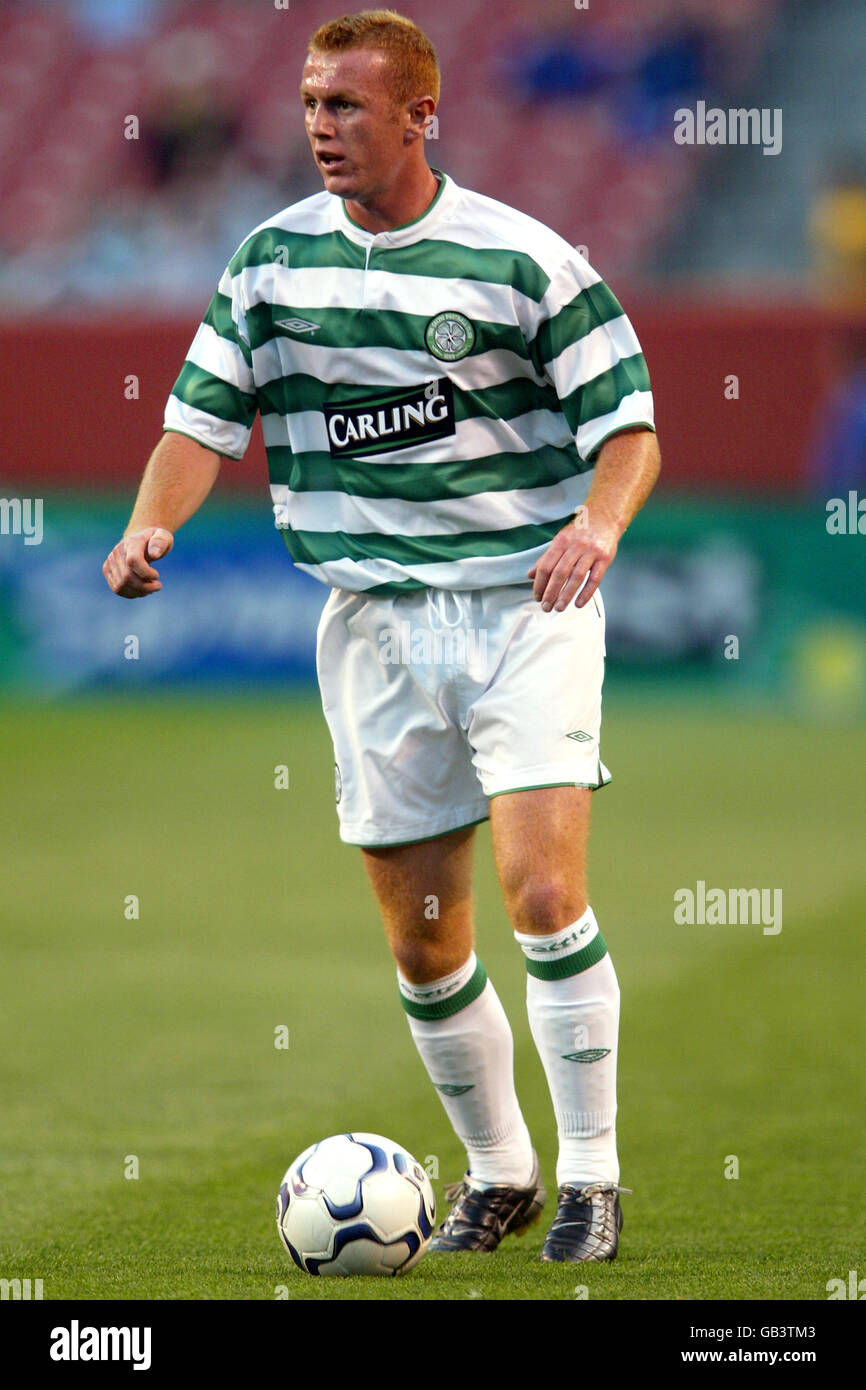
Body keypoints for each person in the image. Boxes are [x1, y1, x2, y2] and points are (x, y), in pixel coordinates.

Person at [103, 9, 660, 1263]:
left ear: (420, 114)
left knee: (543, 887)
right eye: (309, 104)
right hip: (373, 625)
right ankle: (499, 1171)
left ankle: (592, 1176)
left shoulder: (522, 259)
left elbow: (628, 425)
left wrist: (599, 527)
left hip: (529, 605)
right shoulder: (268, 262)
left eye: (346, 106)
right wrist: (151, 525)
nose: (318, 126)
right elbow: (201, 422)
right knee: (421, 937)